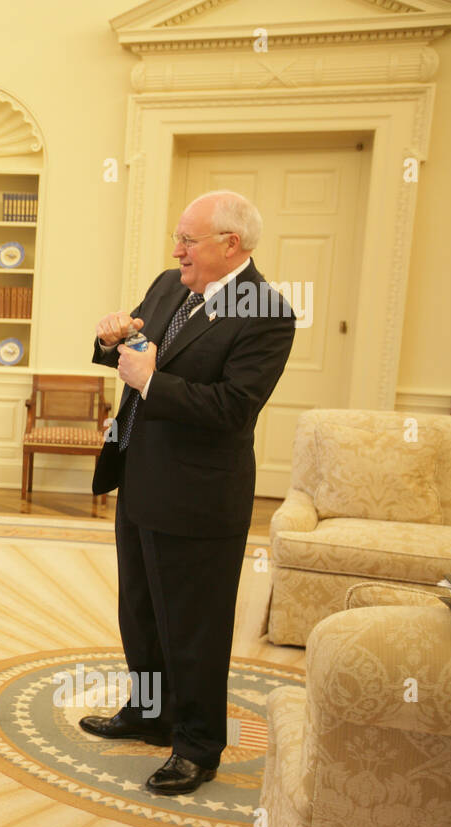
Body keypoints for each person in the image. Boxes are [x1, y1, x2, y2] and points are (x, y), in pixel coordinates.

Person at [82, 190, 295, 795]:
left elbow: (233, 408)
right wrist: (112, 337)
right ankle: (150, 713)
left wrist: (152, 381)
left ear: (231, 245)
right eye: (178, 237)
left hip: (201, 500)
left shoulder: (268, 313)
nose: (176, 250)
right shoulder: (168, 285)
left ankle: (198, 745)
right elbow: (133, 352)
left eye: (188, 240)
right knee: (142, 612)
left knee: (194, 628)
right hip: (142, 479)